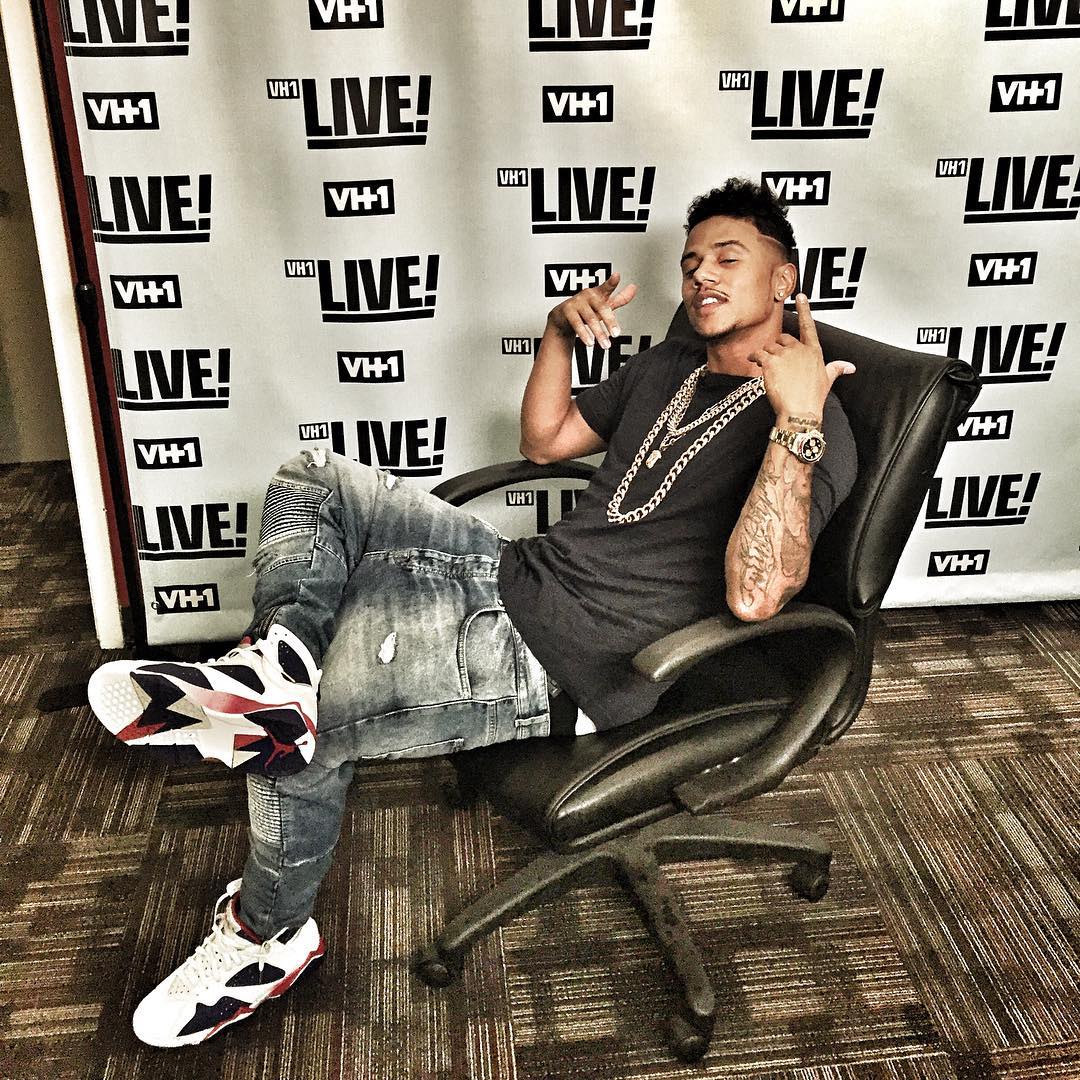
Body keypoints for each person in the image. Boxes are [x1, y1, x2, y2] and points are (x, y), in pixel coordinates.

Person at [87, 177, 858, 1047]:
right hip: (512, 569)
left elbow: (757, 593)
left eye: (728, 258)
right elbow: (546, 441)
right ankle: (276, 665)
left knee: (309, 724)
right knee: (313, 478)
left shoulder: (815, 425)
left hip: (568, 657)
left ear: (784, 280)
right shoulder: (669, 368)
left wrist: (798, 419)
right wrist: (557, 336)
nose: (701, 275)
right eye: (691, 262)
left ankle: (268, 937)